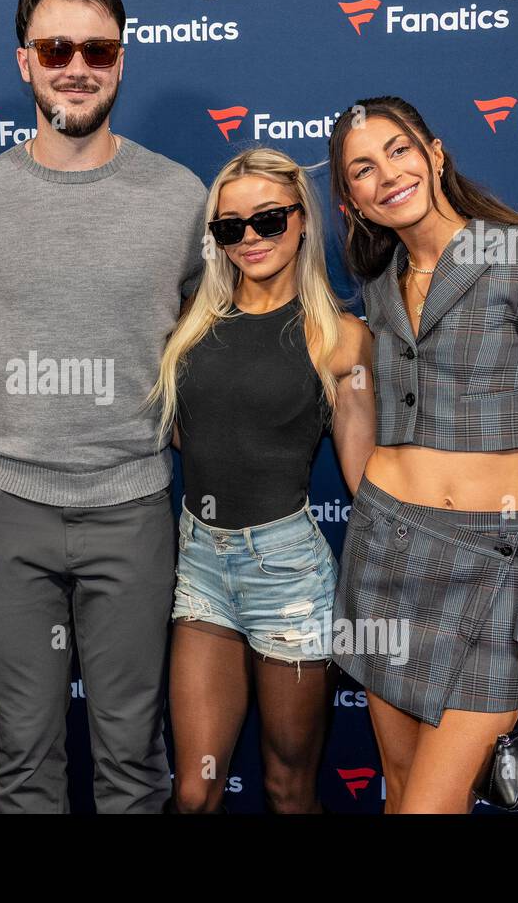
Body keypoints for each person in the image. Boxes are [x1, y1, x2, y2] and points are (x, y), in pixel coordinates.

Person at [0, 0, 208, 813]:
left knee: (133, 758)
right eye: (57, 48)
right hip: (7, 509)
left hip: (132, 507)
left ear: (121, 62)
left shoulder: (180, 198)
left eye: (97, 49)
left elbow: (221, 340)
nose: (76, 66)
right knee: (23, 758)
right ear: (25, 61)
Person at [326, 95, 518, 813]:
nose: (386, 174)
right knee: (402, 794)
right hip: (385, 563)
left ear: (436, 153)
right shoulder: (379, 286)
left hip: (492, 576)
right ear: (349, 196)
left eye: (400, 150)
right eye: (362, 168)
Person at [147, 147, 375, 813]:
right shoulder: (192, 324)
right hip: (201, 569)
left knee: (288, 788)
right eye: (229, 227)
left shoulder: (339, 337)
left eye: (269, 220)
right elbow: (193, 436)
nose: (249, 238)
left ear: (302, 222)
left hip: (288, 578)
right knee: (193, 792)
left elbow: (364, 479)